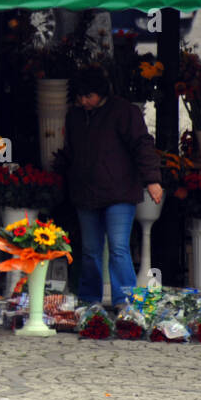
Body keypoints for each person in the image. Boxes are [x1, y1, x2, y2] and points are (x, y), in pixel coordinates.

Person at [53, 66, 162, 307]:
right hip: (85, 194)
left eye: (88, 96)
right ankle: (89, 301)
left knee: (118, 248)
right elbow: (71, 152)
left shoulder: (125, 112)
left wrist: (152, 180)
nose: (84, 101)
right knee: (90, 250)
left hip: (119, 193)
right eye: (80, 96)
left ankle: (126, 303)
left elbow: (143, 145)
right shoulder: (74, 116)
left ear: (101, 93)